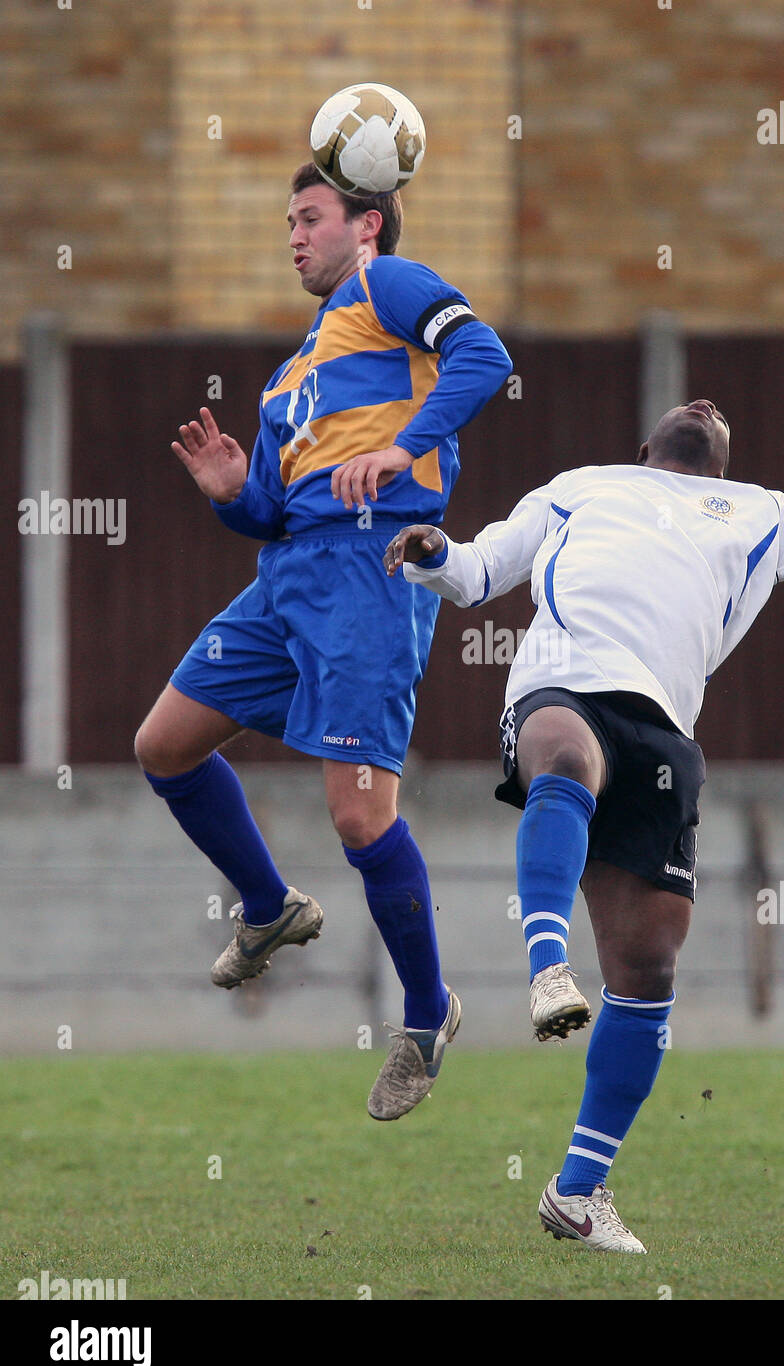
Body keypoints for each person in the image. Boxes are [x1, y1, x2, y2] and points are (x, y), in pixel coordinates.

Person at [384, 314, 784, 1248]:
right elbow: (481, 570)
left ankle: (578, 1191)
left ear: (719, 465)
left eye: (717, 410)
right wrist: (435, 555)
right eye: (689, 403)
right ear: (644, 450)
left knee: (646, 970)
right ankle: (545, 966)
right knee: (563, 757)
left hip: (663, 730)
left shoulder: (763, 512)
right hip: (563, 683)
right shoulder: (579, 486)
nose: (705, 403)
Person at [134, 162, 512, 1122]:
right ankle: (270, 909)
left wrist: (402, 446)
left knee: (359, 820)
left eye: (310, 218)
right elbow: (271, 513)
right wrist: (233, 495)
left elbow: (483, 357)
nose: (294, 237)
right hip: (289, 577)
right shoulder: (289, 375)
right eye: (289, 223)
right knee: (163, 746)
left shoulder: (391, 285)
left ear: (367, 223)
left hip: (369, 575)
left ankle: (425, 1016)